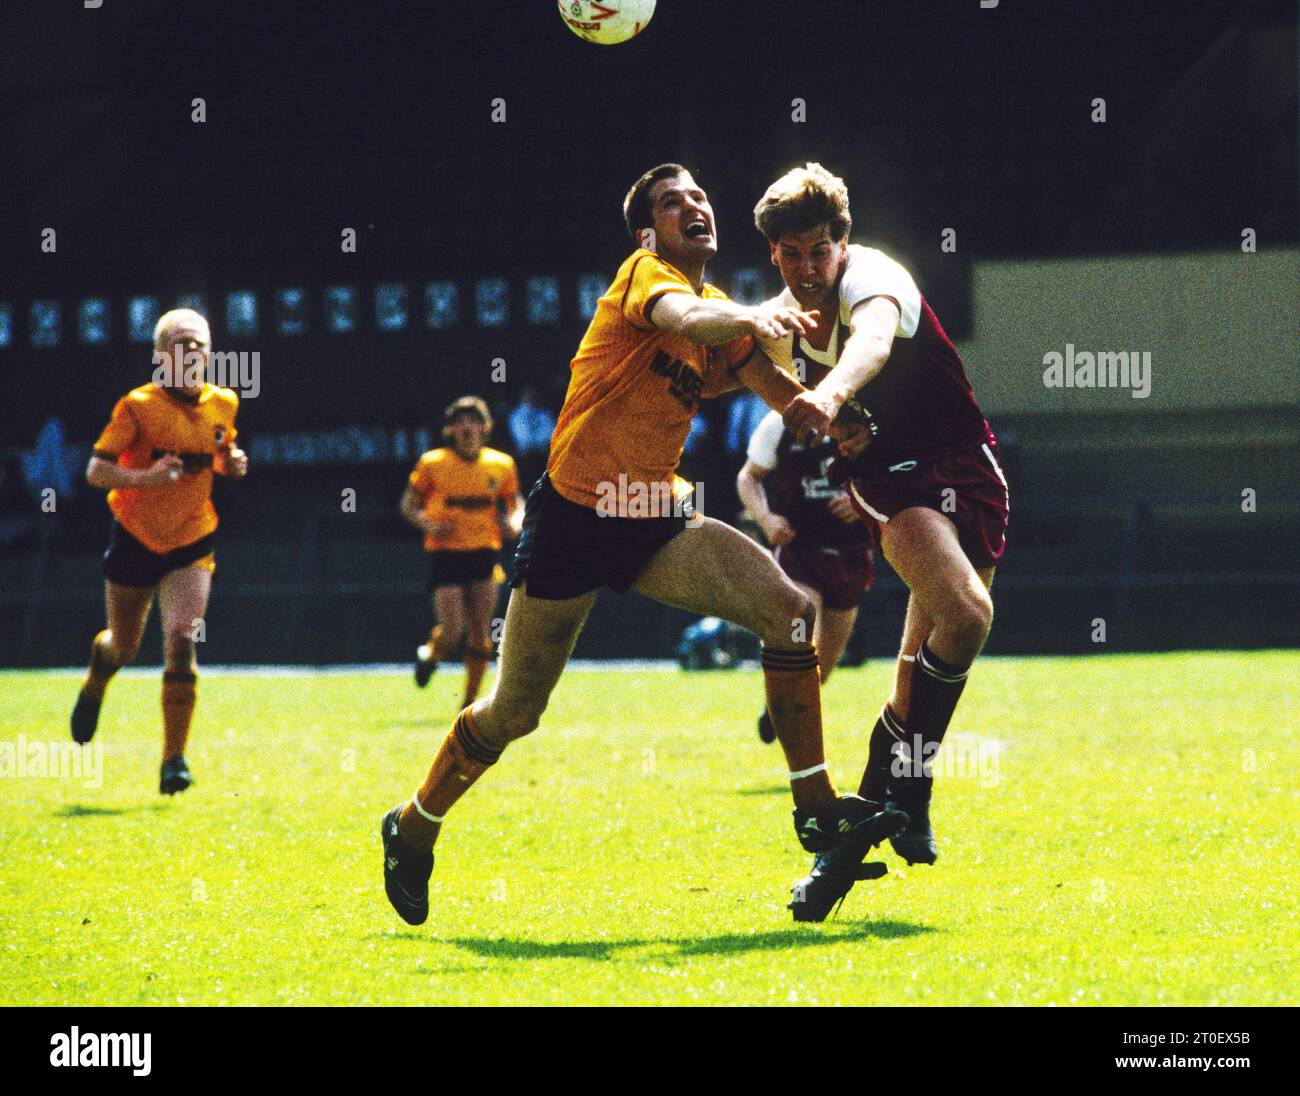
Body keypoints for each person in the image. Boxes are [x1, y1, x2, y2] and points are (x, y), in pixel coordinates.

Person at [380, 163, 900, 926]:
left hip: (653, 511)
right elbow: (691, 321)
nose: (693, 204)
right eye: (671, 200)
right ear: (647, 232)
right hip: (575, 515)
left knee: (791, 612)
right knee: (516, 711)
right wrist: (763, 315)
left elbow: (779, 393)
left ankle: (818, 810)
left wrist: (836, 409)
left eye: (698, 194)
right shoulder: (645, 276)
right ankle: (413, 824)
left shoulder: (726, 311)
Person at [753, 163, 1009, 919]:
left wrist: (829, 393)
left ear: (843, 244)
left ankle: (833, 871)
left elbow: (869, 344)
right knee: (965, 616)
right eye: (791, 254)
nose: (807, 269)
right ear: (773, 254)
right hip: (890, 478)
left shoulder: (875, 275)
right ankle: (918, 782)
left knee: (912, 684)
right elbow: (716, 371)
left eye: (819, 251)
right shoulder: (775, 324)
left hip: (970, 463)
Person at [70, 308, 247, 794]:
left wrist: (230, 461)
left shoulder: (224, 403)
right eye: (180, 344)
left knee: (182, 636)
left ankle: (174, 759)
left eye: (199, 344)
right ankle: (95, 681)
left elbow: (220, 447)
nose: (191, 352)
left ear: (211, 354)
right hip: (136, 535)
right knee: (123, 647)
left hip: (193, 535)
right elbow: (95, 471)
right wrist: (144, 478)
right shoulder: (137, 406)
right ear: (162, 357)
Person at [736, 408, 873, 744]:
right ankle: (803, 753)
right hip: (799, 550)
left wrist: (863, 502)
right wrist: (766, 520)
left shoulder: (867, 420)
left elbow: (899, 475)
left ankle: (779, 705)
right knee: (800, 639)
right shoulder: (782, 422)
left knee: (819, 673)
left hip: (851, 554)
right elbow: (748, 476)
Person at [401, 396, 524, 710]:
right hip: (446, 555)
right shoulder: (433, 464)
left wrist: (514, 521)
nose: (468, 427)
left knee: (482, 634)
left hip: (483, 554)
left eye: (474, 421)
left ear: (486, 428)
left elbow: (515, 504)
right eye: (461, 422)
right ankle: (430, 654)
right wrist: (428, 523)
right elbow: (408, 506)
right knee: (453, 630)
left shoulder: (501, 465)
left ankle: (468, 705)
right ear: (450, 429)